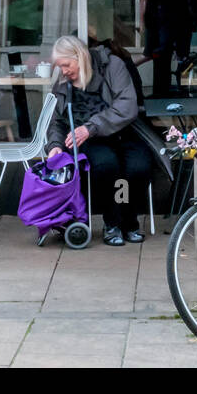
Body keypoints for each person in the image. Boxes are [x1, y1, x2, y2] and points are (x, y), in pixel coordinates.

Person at [44, 35, 148, 246]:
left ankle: (128, 219)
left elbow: (127, 106)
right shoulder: (64, 82)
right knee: (107, 166)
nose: (63, 71)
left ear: (80, 56)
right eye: (60, 66)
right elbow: (57, 121)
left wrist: (90, 128)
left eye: (66, 64)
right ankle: (113, 223)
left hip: (122, 132)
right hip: (92, 140)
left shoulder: (112, 66)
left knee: (137, 168)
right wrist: (54, 145)